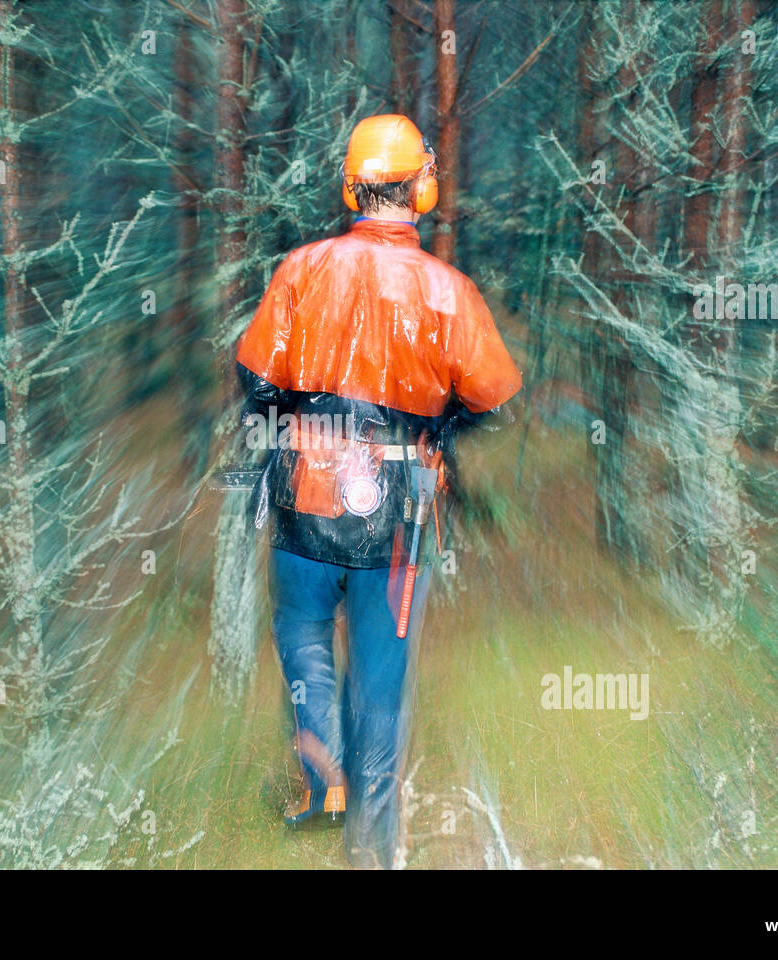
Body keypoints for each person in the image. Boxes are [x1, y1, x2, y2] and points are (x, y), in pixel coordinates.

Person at [233, 114, 522, 869]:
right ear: (422, 188)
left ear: (350, 185)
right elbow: (494, 395)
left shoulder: (301, 268)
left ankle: (322, 774)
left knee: (301, 632)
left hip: (304, 496)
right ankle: (372, 845)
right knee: (382, 682)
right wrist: (439, 424)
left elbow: (259, 377)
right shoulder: (448, 291)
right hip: (398, 516)